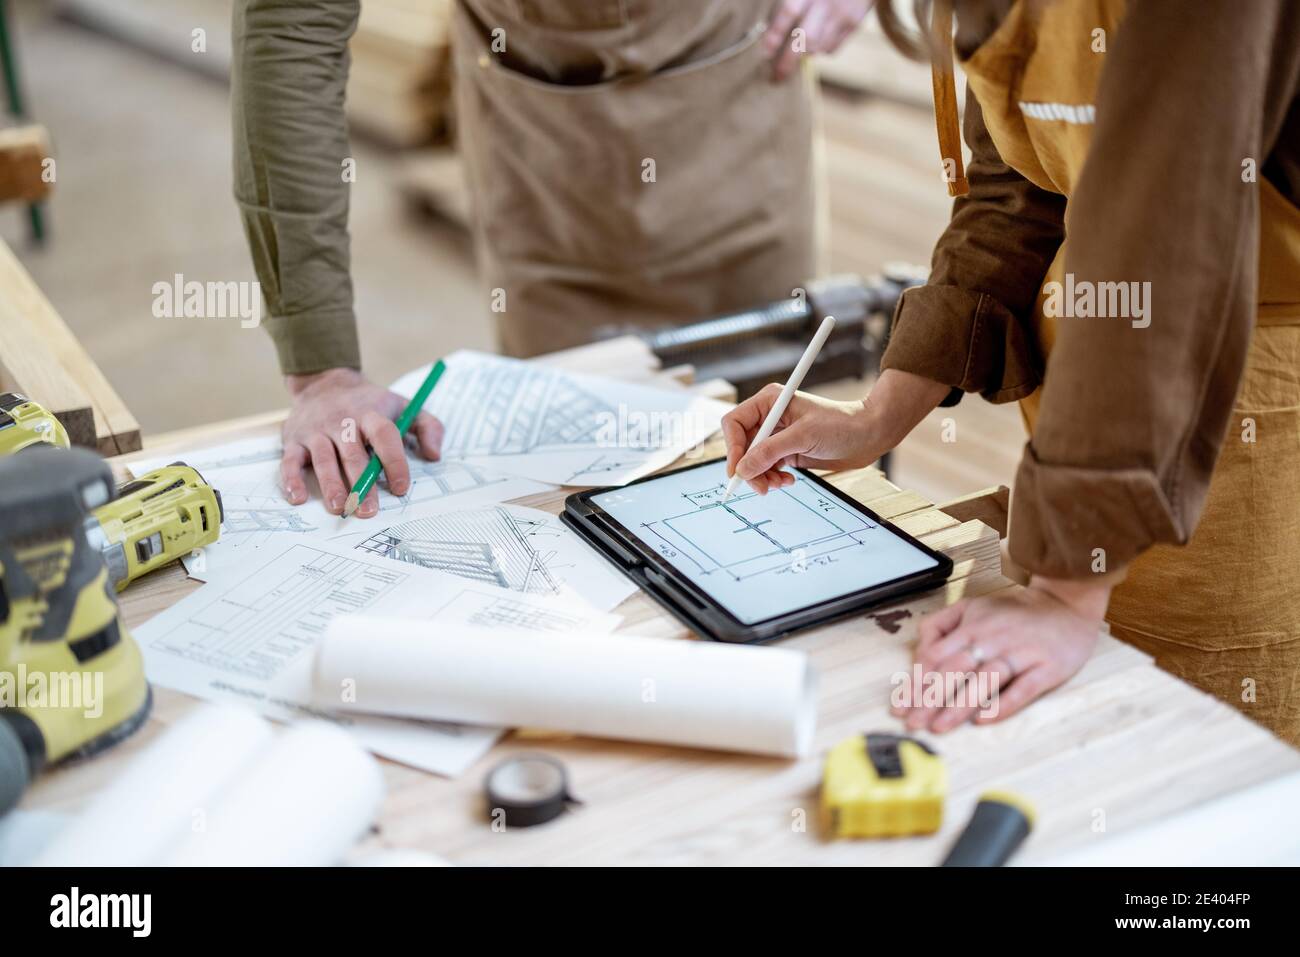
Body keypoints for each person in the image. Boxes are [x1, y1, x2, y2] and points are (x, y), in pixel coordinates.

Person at [723, 0, 1300, 744]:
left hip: (1244, 420)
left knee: (1194, 751)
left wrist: (1065, 590)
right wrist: (877, 417)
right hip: (1104, 427)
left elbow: (1163, 232)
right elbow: (1018, 184)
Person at [231, 0, 870, 519]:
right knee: (574, 495)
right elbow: (290, 31)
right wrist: (321, 369)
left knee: (777, 483)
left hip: (738, 96)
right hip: (539, 144)